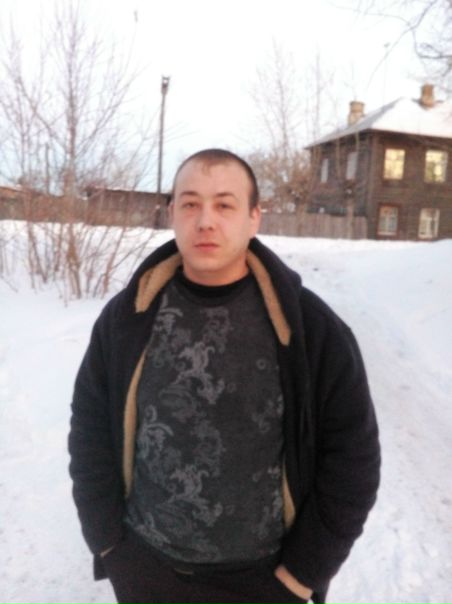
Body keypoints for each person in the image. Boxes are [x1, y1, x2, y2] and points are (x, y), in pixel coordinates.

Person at [68, 148, 380, 604]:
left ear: (254, 217)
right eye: (190, 204)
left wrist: (302, 574)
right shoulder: (128, 318)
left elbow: (353, 460)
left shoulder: (312, 329)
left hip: (265, 581)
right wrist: (110, 545)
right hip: (147, 571)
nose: (205, 221)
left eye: (225, 205)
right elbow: (89, 430)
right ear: (172, 214)